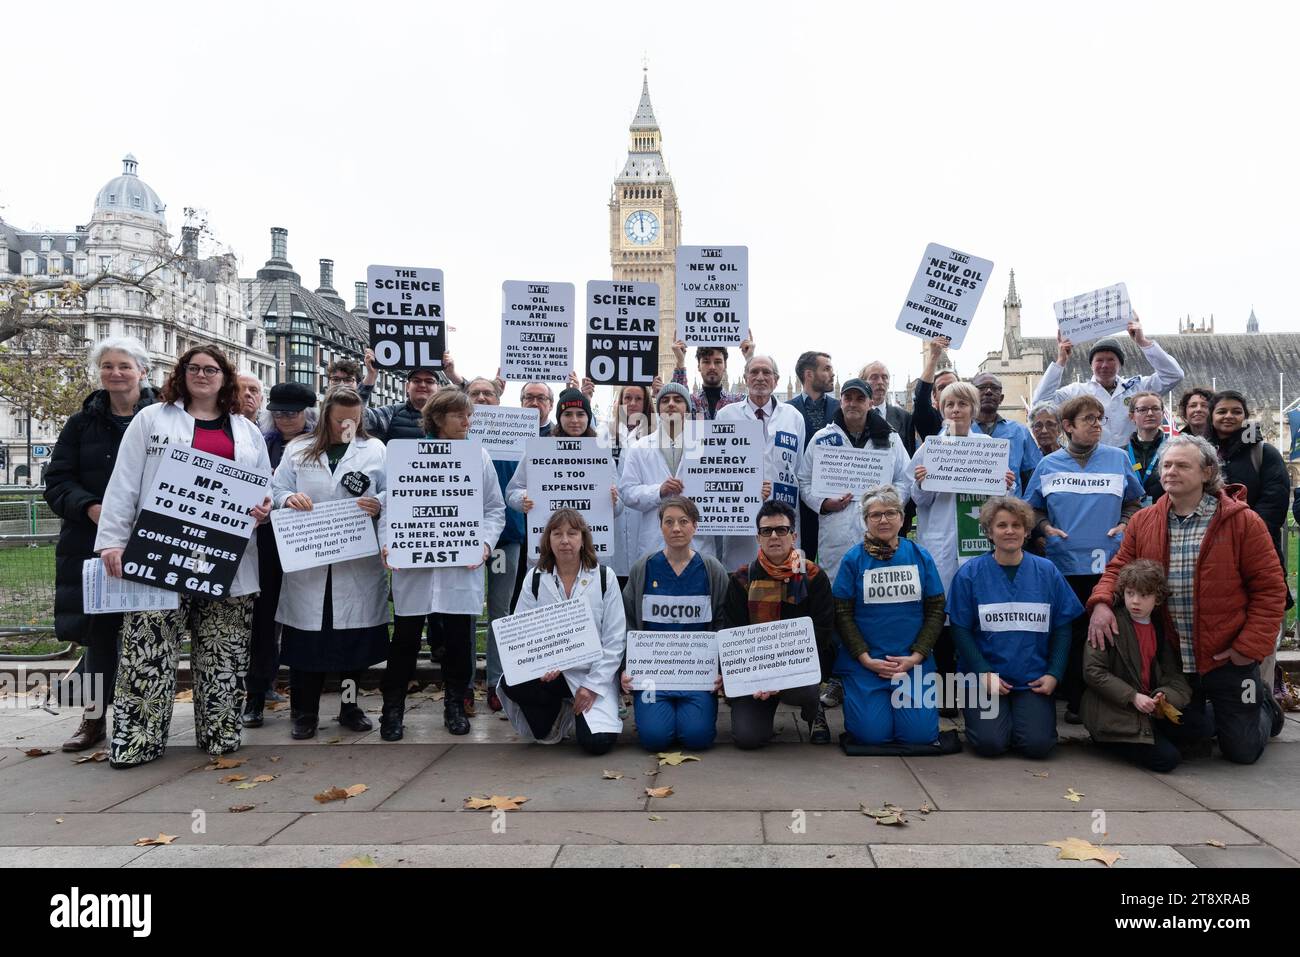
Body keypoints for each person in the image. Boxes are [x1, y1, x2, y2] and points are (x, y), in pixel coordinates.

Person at [95, 344, 273, 768]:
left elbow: (263, 486)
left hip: (226, 559)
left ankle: (220, 734)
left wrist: (264, 508)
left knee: (224, 652)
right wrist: (114, 541)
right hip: (160, 553)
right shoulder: (151, 419)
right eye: (194, 368)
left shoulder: (245, 431)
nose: (202, 375)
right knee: (148, 652)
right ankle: (137, 740)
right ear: (182, 373)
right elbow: (124, 483)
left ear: (224, 377)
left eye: (211, 369)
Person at [1086, 435, 1286, 764]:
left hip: (1227, 657)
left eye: (1182, 465)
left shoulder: (1242, 521)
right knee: (1187, 738)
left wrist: (1246, 649)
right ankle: (1215, 714)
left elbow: (1270, 589)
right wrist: (1102, 603)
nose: (1170, 472)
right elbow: (1118, 569)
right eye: (1166, 465)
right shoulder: (1144, 520)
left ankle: (1262, 704)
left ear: (1208, 472)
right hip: (1174, 662)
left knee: (1242, 752)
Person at [44, 337, 157, 752]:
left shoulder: (165, 418)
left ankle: (147, 720)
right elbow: (57, 483)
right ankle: (92, 720)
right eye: (107, 366)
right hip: (94, 546)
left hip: (153, 543)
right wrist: (92, 508)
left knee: (149, 632)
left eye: (124, 366)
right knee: (98, 636)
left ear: (142, 371)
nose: (115, 373)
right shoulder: (81, 424)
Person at [379, 389, 506, 739]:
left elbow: (494, 508)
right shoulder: (406, 456)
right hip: (414, 563)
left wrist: (483, 544)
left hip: (459, 565)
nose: (468, 421)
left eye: (469, 415)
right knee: (404, 640)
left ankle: (454, 705)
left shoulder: (477, 456)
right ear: (437, 418)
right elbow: (390, 504)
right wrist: (388, 543)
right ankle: (392, 711)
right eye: (459, 415)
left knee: (458, 641)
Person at [271, 388, 388, 739]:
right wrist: (289, 498)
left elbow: (394, 491)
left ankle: (349, 708)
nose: (346, 427)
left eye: (354, 420)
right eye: (340, 421)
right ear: (325, 416)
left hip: (355, 563)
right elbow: (276, 490)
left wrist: (378, 502)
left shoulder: (376, 450)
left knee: (351, 648)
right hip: (310, 564)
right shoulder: (297, 449)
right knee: (307, 645)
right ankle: (304, 714)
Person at [1025, 394, 1144, 722]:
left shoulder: (1117, 459)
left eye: (1100, 418)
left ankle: (1104, 699)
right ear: (1068, 426)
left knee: (1107, 634)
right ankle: (1074, 699)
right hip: (1063, 566)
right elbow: (1032, 509)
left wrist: (1124, 523)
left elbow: (1135, 503)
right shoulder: (1047, 465)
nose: (1097, 424)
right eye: (1089, 418)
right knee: (1072, 633)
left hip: (1108, 565)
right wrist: (1045, 528)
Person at [947, 497, 1083, 759]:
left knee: (1037, 746)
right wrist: (983, 672)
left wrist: (1054, 673)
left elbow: (1063, 626)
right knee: (990, 745)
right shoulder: (970, 573)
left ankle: (1020, 720)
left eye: (1017, 525)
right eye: (1001, 525)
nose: (1010, 531)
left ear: (1027, 530)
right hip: (984, 678)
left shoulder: (1047, 571)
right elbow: (960, 629)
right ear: (988, 531)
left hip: (1032, 678)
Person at [498, 510, 625, 754]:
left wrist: (591, 687)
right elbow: (521, 633)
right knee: (512, 681)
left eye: (572, 533)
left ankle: (589, 702)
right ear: (548, 539)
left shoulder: (604, 578)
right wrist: (541, 663)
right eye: (557, 534)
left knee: (596, 745)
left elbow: (614, 640)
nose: (565, 540)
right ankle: (556, 711)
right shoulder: (535, 578)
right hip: (551, 674)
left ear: (583, 538)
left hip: (592, 673)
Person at [831, 487, 946, 748]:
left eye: (890, 513)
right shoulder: (853, 559)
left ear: (902, 518)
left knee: (920, 736)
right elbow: (842, 612)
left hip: (912, 663)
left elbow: (936, 608)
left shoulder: (920, 556)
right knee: (871, 736)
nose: (883, 520)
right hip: (866, 664)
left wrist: (917, 655)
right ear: (866, 520)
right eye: (875, 515)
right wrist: (865, 658)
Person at [621, 497, 729, 751]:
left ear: (695, 526)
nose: (676, 528)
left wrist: (724, 669)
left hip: (697, 677)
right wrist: (624, 668)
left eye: (683, 521)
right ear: (661, 527)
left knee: (698, 738)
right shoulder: (643, 568)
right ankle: (658, 718)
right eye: (668, 522)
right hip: (650, 679)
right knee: (654, 739)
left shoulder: (711, 569)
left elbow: (724, 622)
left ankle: (686, 718)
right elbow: (627, 622)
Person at [723, 501, 834, 747]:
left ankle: (814, 709)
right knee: (747, 738)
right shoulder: (741, 579)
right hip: (754, 676)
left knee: (805, 689)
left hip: (797, 673)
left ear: (793, 535)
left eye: (781, 530)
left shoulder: (813, 577)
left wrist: (782, 675)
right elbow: (731, 634)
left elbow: (823, 633)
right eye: (767, 531)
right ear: (758, 537)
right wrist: (754, 678)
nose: (774, 536)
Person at [244, 381, 317, 728]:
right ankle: (256, 693)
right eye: (279, 412)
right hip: (269, 542)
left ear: (307, 414)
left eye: (293, 412)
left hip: (307, 541)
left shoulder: (319, 445)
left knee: (304, 618)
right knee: (264, 619)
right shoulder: (262, 442)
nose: (285, 419)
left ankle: (303, 700)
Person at [796, 377, 910, 582]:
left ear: (870, 403)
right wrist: (823, 504)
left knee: (876, 590)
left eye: (859, 398)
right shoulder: (822, 438)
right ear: (840, 401)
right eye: (847, 398)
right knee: (838, 592)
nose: (853, 403)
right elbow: (804, 482)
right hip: (836, 534)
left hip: (879, 530)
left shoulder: (890, 439)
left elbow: (905, 479)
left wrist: (887, 505)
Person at [1082, 559, 1191, 772]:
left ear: (1157, 598)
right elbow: (1093, 671)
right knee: (1167, 760)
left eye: (1144, 595)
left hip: (1148, 706)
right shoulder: (1109, 623)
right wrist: (1132, 696)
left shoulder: (1160, 628)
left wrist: (1163, 695)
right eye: (1130, 593)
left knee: (1201, 726)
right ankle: (1106, 740)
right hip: (1113, 708)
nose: (1135, 602)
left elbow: (1174, 676)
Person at [908, 382, 1016, 591]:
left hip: (978, 534)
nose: (955, 409)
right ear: (942, 410)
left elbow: (1001, 500)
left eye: (962, 404)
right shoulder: (929, 448)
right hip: (941, 537)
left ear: (973, 409)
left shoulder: (988, 446)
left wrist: (1007, 484)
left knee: (979, 594)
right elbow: (919, 500)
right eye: (949, 404)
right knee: (943, 599)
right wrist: (921, 483)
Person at [506, 388, 621, 566]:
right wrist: (523, 499)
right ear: (559, 417)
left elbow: (619, 508)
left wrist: (614, 500)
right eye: (568, 414)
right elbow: (512, 492)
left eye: (580, 414)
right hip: (548, 545)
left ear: (588, 418)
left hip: (591, 548)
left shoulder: (601, 454)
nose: (574, 420)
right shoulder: (538, 450)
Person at [1032, 317, 1185, 446]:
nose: (1105, 365)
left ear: (1120, 364)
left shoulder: (1138, 387)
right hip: (1091, 463)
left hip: (1132, 462)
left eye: (1111, 360)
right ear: (1091, 365)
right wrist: (1061, 361)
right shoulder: (1076, 392)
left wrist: (1142, 342)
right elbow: (1040, 402)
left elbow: (1173, 375)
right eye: (1099, 360)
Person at [467, 376, 525, 712]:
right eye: (475, 393)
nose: (482, 398)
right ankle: (462, 685)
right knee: (466, 611)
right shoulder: (457, 436)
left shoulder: (516, 431)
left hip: (505, 537)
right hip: (463, 536)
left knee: (500, 612)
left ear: (498, 399)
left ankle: (496, 682)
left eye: (488, 393)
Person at [716, 354, 806, 571]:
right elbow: (718, 469)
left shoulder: (794, 417)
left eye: (766, 372)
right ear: (745, 378)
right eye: (754, 372)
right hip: (741, 524)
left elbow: (799, 469)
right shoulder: (725, 416)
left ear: (776, 380)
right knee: (742, 583)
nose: (760, 377)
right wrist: (748, 487)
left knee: (788, 585)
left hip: (785, 513)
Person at [619, 383, 717, 561]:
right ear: (658, 409)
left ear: (687, 408)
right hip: (655, 544)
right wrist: (658, 491)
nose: (671, 404)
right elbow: (626, 493)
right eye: (665, 401)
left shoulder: (709, 446)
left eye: (678, 400)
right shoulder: (639, 448)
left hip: (698, 544)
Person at [597, 383, 655, 588]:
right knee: (614, 582)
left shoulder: (655, 434)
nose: (632, 403)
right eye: (627, 398)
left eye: (638, 399)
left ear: (646, 403)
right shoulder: (604, 432)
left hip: (644, 515)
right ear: (619, 401)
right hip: (612, 517)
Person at [787, 351, 838, 562]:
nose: (832, 374)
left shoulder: (841, 408)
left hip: (834, 501)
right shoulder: (787, 411)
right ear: (809, 374)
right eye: (826, 369)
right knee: (800, 562)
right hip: (799, 501)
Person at [970, 373, 1039, 497]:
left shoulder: (1020, 432)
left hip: (1010, 509)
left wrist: (1024, 508)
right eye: (982, 387)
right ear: (971, 396)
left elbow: (1033, 478)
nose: (989, 392)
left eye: (995, 388)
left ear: (1001, 398)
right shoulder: (956, 432)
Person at [669, 337, 755, 420]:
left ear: (725, 366)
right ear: (699, 366)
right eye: (706, 362)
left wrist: (750, 359)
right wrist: (680, 361)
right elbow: (677, 398)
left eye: (717, 362)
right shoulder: (692, 403)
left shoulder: (738, 402)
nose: (712, 367)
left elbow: (759, 400)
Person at [364, 367, 438, 442]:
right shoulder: (391, 413)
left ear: (438, 388)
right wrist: (371, 376)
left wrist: (450, 375)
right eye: (416, 381)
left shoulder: (447, 415)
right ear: (407, 387)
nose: (422, 385)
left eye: (429, 381)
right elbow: (359, 418)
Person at [858, 360, 915, 457]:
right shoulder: (854, 415)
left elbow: (909, 456)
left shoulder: (904, 417)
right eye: (874, 377)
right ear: (863, 383)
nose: (880, 382)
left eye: (884, 377)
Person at [1125, 391, 1171, 505]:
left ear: (1162, 413)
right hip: (1129, 516)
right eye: (1142, 409)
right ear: (1132, 416)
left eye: (1155, 408)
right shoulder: (1121, 453)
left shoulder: (1174, 450)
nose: (1150, 413)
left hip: (1165, 513)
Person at [911, 337, 954, 446]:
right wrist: (934, 356)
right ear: (934, 395)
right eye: (942, 387)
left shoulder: (977, 427)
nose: (949, 390)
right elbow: (921, 399)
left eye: (953, 385)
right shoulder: (932, 422)